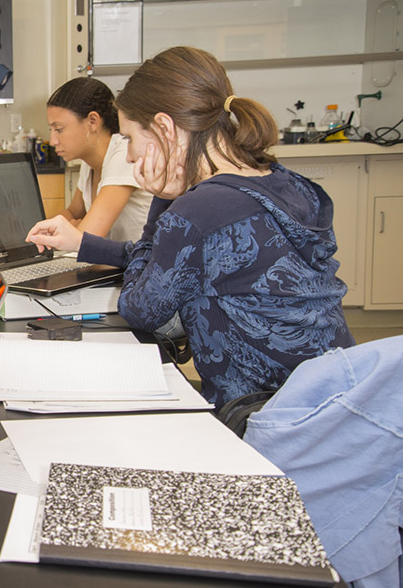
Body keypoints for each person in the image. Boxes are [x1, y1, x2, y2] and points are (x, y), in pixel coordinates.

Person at [26, 46, 354, 408]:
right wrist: (84, 243)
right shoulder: (285, 181)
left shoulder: (196, 211)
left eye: (130, 138)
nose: (130, 155)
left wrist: (163, 200)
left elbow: (139, 309)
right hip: (335, 401)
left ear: (164, 128)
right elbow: (179, 259)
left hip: (262, 416)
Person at [45, 77, 153, 242]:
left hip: (138, 258)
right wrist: (40, 230)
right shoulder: (89, 161)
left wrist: (72, 229)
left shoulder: (124, 154)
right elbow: (73, 213)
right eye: (51, 130)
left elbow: (85, 239)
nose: (53, 141)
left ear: (92, 121)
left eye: (59, 129)